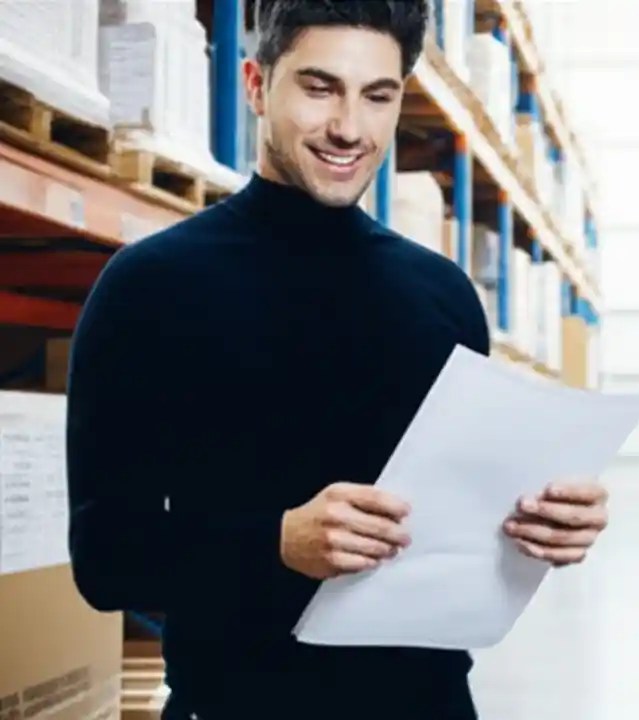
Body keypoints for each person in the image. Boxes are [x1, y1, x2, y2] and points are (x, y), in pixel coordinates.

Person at [64, 2, 609, 717]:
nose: (350, 127)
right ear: (257, 85)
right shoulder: (149, 288)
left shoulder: (443, 296)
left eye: (377, 96)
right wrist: (277, 543)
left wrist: (544, 523)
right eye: (319, 88)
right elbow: (106, 560)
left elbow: (465, 529)